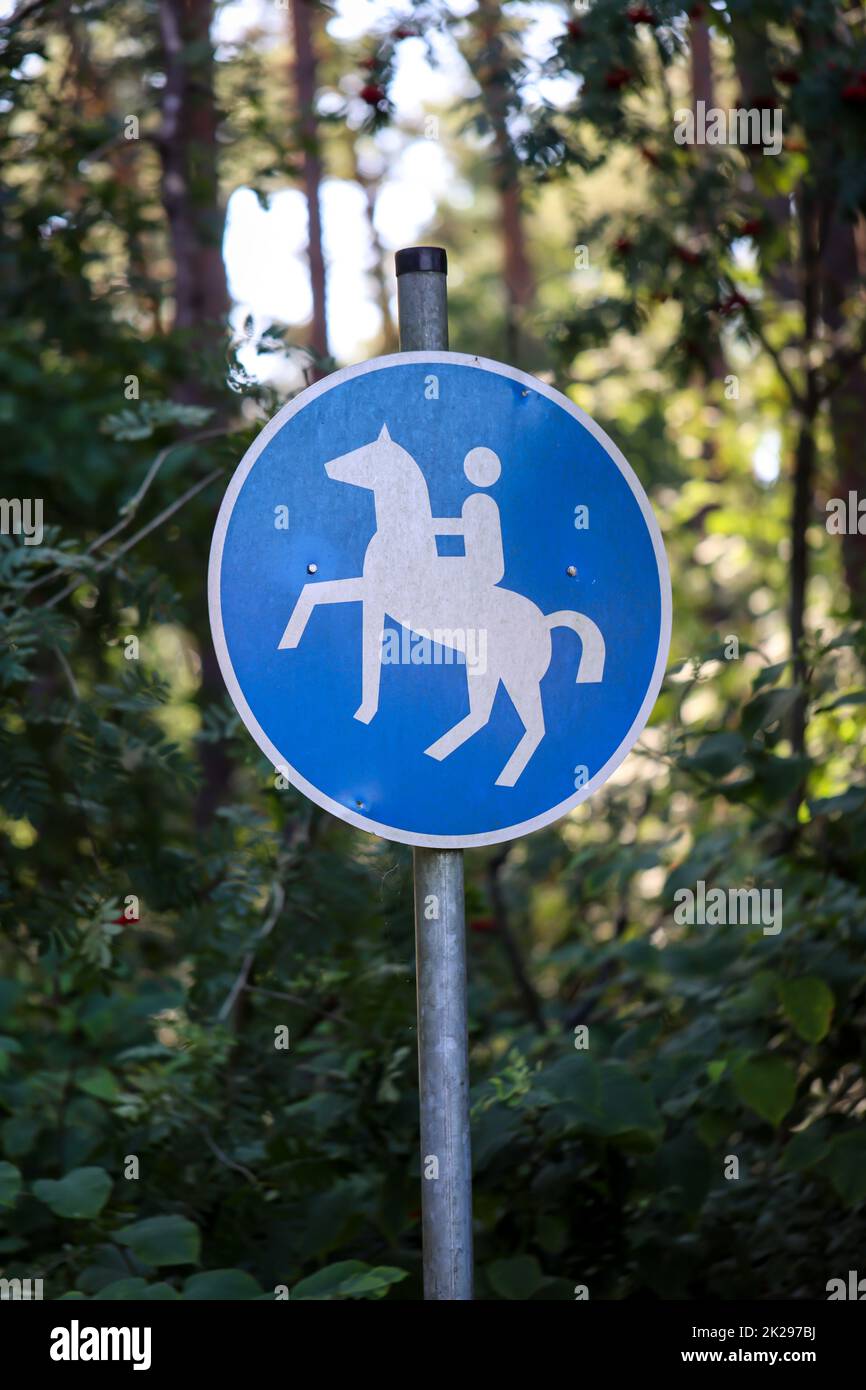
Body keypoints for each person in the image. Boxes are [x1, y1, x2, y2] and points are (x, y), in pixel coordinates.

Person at [432, 446, 504, 585]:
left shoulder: (480, 503)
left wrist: (428, 526)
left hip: (483, 569)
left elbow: (464, 529)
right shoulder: (476, 502)